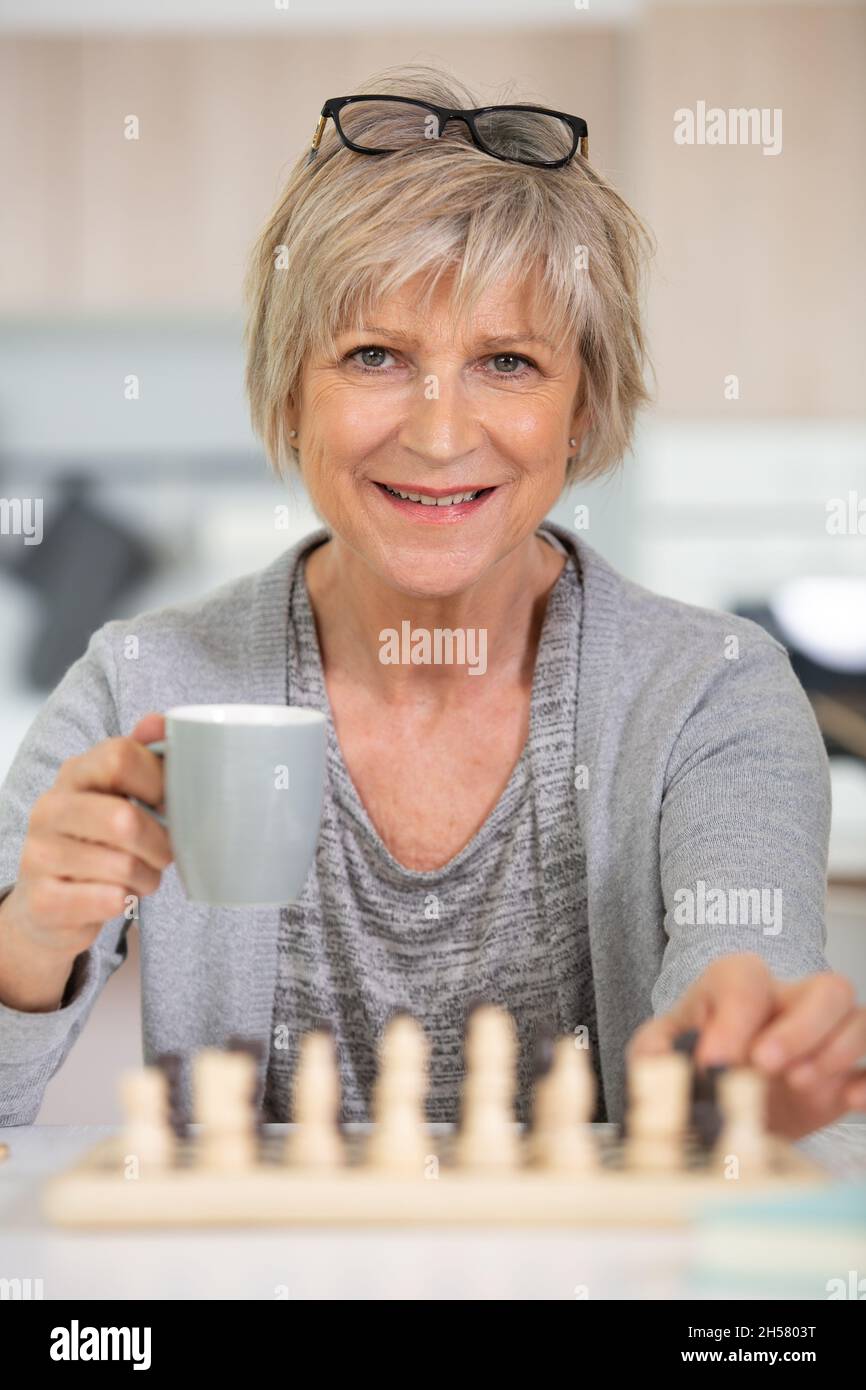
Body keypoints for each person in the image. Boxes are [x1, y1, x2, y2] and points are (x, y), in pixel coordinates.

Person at [0, 65, 862, 1136]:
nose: (440, 433)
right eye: (373, 355)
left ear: (581, 408)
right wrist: (33, 937)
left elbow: (737, 994)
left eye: (506, 361)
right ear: (287, 391)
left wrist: (741, 1053)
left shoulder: (708, 694)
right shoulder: (140, 682)